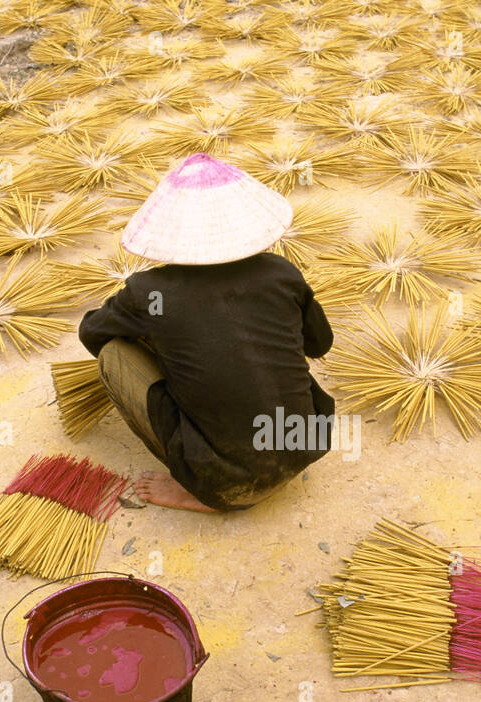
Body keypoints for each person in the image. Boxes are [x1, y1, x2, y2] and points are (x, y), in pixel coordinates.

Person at [78, 153, 334, 513]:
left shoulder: (152, 292)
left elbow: (92, 334)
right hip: (304, 446)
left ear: (170, 234)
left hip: (227, 482)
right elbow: (320, 344)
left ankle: (199, 488)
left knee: (113, 355)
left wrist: (156, 337)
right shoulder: (281, 274)